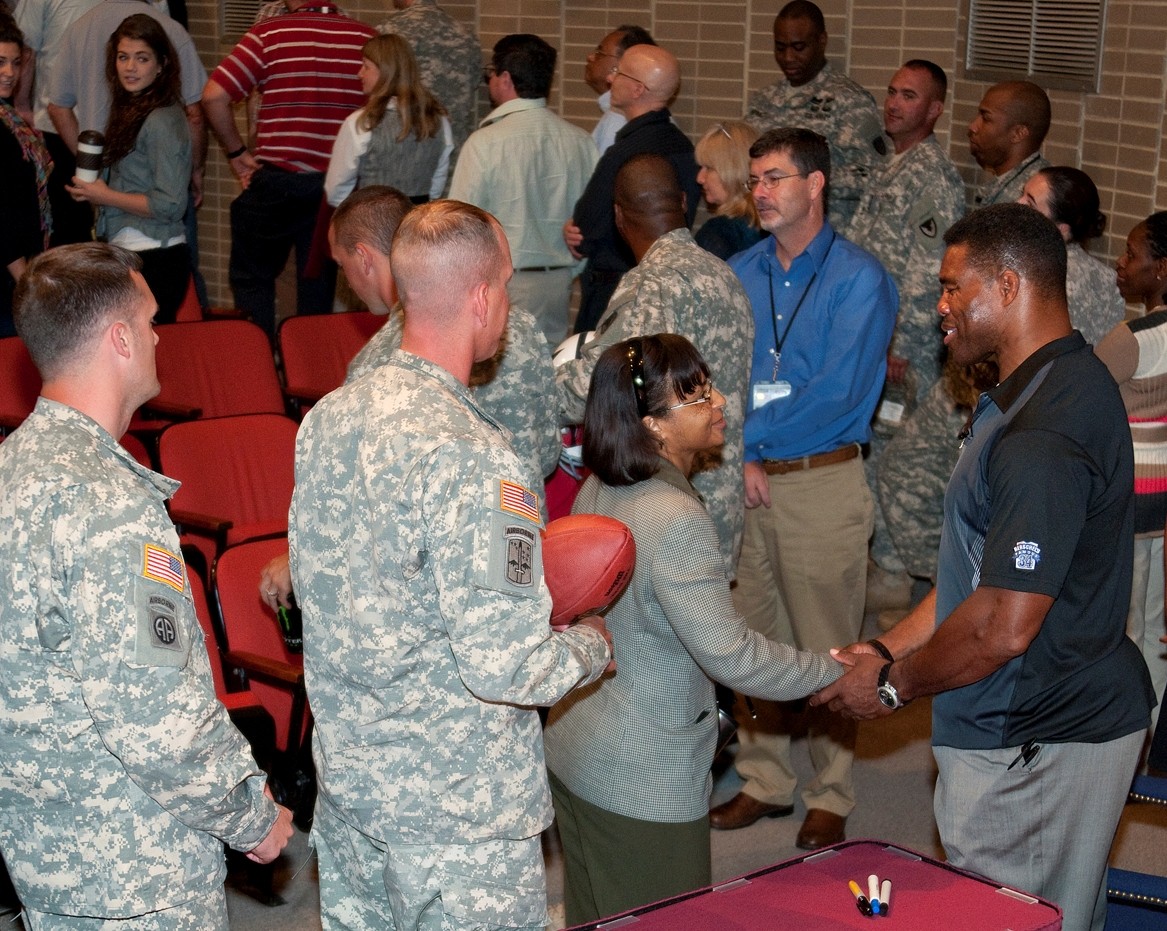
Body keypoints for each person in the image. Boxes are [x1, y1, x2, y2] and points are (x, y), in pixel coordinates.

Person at [813, 203, 1153, 931]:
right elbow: (974, 576)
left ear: (1005, 285)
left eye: (951, 287)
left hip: (1039, 735)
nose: (938, 306)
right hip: (1031, 726)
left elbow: (1001, 624)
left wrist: (891, 686)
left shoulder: (1043, 431)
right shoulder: (1045, 381)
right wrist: (885, 645)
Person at [289, 200, 613, 931]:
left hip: (354, 789)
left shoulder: (327, 418)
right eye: (502, 283)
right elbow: (508, 663)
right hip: (457, 813)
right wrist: (589, 644)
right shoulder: (474, 454)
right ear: (480, 298)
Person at [0, 242, 293, 929]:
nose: (162, 336)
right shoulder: (108, 503)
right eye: (152, 320)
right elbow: (153, 716)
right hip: (134, 874)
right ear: (120, 339)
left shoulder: (14, 465)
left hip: (49, 852)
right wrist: (250, 814)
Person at [544, 334, 843, 925]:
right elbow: (732, 656)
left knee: (592, 915)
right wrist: (835, 670)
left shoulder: (599, 488)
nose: (721, 401)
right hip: (641, 778)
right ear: (653, 425)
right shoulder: (674, 516)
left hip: (575, 745)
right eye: (697, 394)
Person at [709, 127, 896, 848]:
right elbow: (720, 378)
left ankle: (831, 790)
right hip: (748, 482)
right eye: (755, 178)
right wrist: (739, 456)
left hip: (820, 479)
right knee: (751, 641)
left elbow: (833, 394)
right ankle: (764, 779)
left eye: (776, 177)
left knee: (827, 648)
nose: (759, 191)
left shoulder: (857, 278)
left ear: (815, 185)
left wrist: (744, 442)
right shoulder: (741, 269)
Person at [260, 185, 560, 615]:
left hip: (426, 604)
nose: (347, 279)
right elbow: (545, 455)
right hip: (517, 566)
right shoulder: (522, 328)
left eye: (344, 266)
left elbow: (358, 526)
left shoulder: (366, 375)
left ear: (365, 258)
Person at [556, 153, 755, 576]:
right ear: (684, 201)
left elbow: (598, 386)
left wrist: (532, 386)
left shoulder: (650, 282)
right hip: (718, 494)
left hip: (666, 506)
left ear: (617, 215)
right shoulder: (723, 274)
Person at [846, 59, 965, 617]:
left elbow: (929, 273)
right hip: (874, 341)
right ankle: (881, 565)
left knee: (892, 454)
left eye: (909, 96)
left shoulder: (931, 178)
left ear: (934, 109)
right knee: (873, 452)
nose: (894, 103)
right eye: (891, 92)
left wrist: (893, 344)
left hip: (904, 351)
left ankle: (894, 578)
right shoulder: (892, 164)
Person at [202, 0, 375, 336]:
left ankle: (260, 367)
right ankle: (309, 378)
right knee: (318, 290)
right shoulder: (366, 38)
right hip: (337, 191)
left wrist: (236, 152)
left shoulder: (269, 34)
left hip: (277, 184)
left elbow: (213, 96)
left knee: (252, 280)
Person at [450, 33, 597, 349]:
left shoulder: (484, 143)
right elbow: (592, 220)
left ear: (504, 78)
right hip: (558, 281)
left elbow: (458, 224)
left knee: (499, 377)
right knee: (548, 372)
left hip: (501, 282)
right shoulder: (581, 141)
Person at [567, 42, 700, 334]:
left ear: (638, 89)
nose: (611, 78)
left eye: (619, 72)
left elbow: (587, 229)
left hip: (614, 294)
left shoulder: (625, 154)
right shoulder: (684, 148)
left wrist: (577, 230)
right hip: (670, 290)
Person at [66, 14, 191, 323]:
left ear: (161, 64)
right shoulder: (133, 107)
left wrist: (105, 195)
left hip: (156, 256)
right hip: (132, 252)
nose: (130, 67)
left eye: (141, 58)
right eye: (123, 57)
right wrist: (94, 191)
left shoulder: (162, 119)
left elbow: (171, 204)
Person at [1094, 211, 1167, 739]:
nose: (1121, 264)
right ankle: (1152, 738)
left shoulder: (1136, 336)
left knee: (1127, 628)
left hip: (1135, 498)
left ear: (1161, 269)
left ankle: (1128, 739)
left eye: (1132, 255)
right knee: (1157, 627)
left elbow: (1082, 396)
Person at [744, 0, 884, 230]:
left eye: (799, 47)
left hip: (825, 237)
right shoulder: (763, 100)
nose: (788, 57)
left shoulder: (849, 101)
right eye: (780, 47)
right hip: (768, 234)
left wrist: (801, 181)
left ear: (821, 41)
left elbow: (872, 174)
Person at [324, 33, 453, 208]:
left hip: (372, 224)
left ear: (386, 72)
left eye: (366, 66)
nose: (359, 73)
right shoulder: (438, 119)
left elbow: (335, 192)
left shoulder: (361, 123)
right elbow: (436, 186)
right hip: (417, 222)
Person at [12, 0, 102, 245]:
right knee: (80, 225)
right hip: (92, 125)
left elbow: (26, 50)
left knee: (65, 227)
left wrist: (21, 105)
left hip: (56, 125)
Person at [1016, 166, 1124, 346]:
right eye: (1022, 194)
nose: (1018, 203)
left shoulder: (1040, 275)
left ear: (1061, 228)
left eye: (1030, 203)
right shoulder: (1108, 277)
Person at [0, 17, 51, 337]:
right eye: (0, 62)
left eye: (16, 63)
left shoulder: (10, 117)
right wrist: (25, 279)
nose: (9, 72)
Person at [377, 0, 480, 155]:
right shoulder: (466, 35)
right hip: (451, 150)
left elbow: (377, 86)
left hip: (403, 151)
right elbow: (474, 82)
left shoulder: (388, 32)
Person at [967, 80, 1050, 209]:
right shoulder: (1010, 182)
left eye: (986, 118)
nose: (973, 127)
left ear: (1018, 133)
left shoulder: (1031, 198)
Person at [693, 120, 764, 261]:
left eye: (709, 168)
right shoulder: (774, 225)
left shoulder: (718, 233)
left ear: (734, 172)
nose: (700, 178)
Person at [581, 24, 654, 155]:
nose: (590, 57)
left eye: (599, 53)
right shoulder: (645, 113)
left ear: (622, 65)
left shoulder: (619, 119)